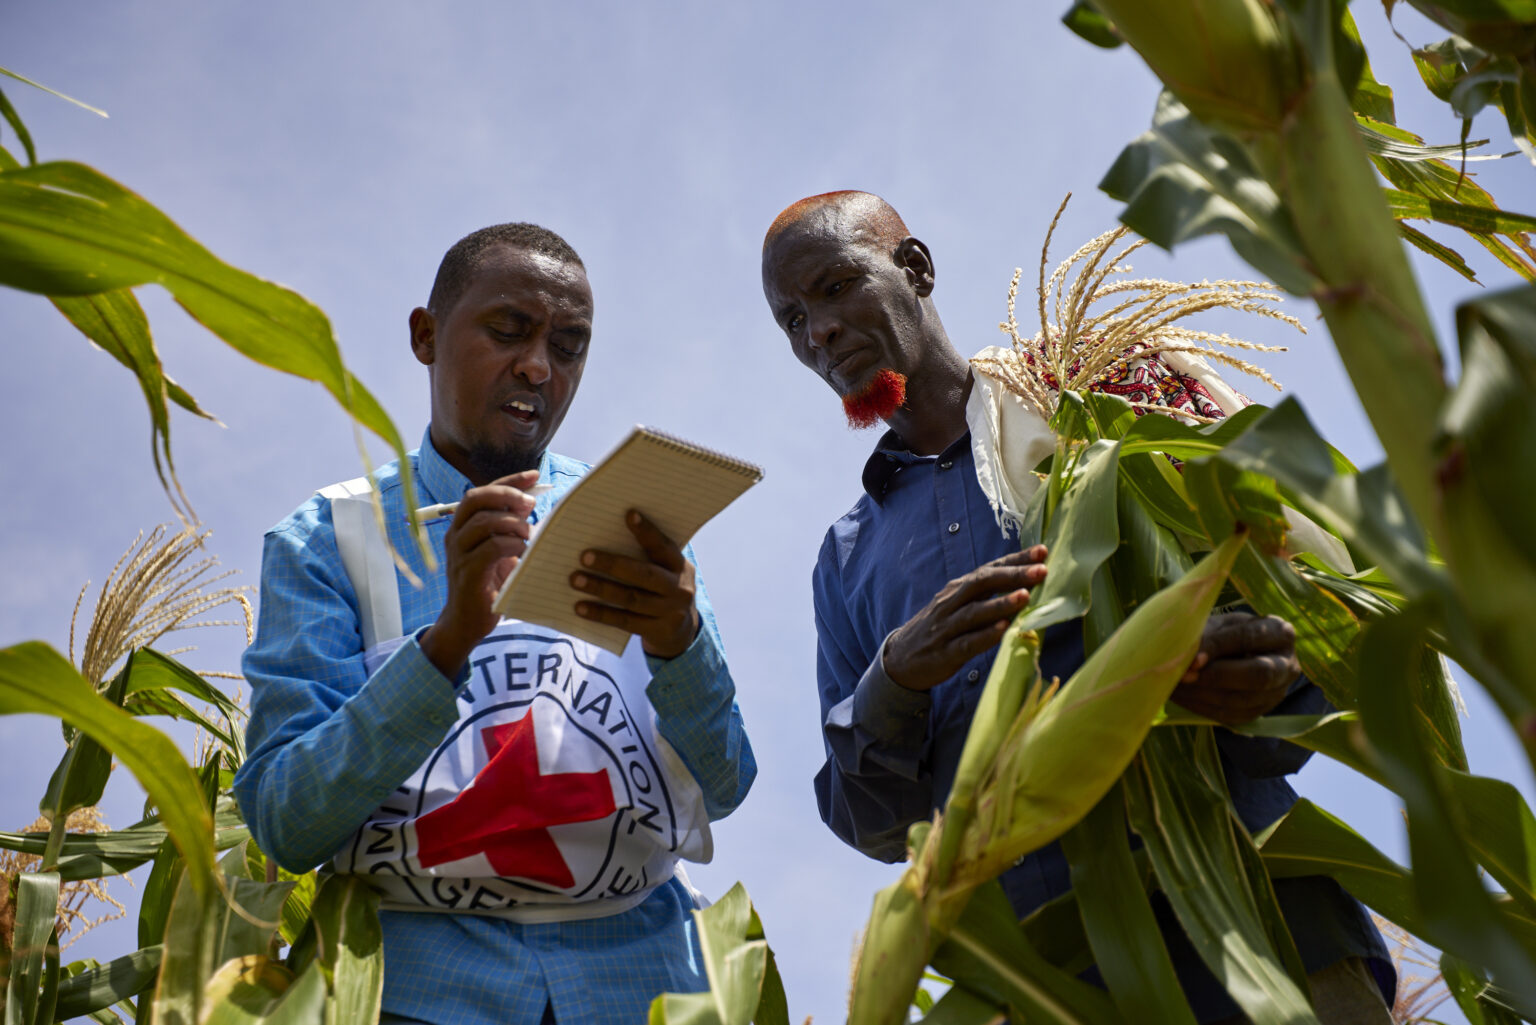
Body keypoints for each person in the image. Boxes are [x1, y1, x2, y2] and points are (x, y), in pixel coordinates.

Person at [760, 191, 1394, 1024]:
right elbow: (870, 819)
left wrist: (1261, 670)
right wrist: (897, 677)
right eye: (793, 320)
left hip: (1259, 926)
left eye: (837, 286)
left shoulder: (1095, 400)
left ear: (914, 268)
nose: (819, 331)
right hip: (1048, 981)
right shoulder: (846, 560)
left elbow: (1304, 597)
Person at [233, 223, 755, 1025]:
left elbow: (724, 785)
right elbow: (286, 820)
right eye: (509, 330)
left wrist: (681, 642)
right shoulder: (328, 541)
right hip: (418, 996)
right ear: (426, 335)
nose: (539, 367)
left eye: (569, 346)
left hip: (647, 985)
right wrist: (445, 644)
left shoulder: (637, 519)